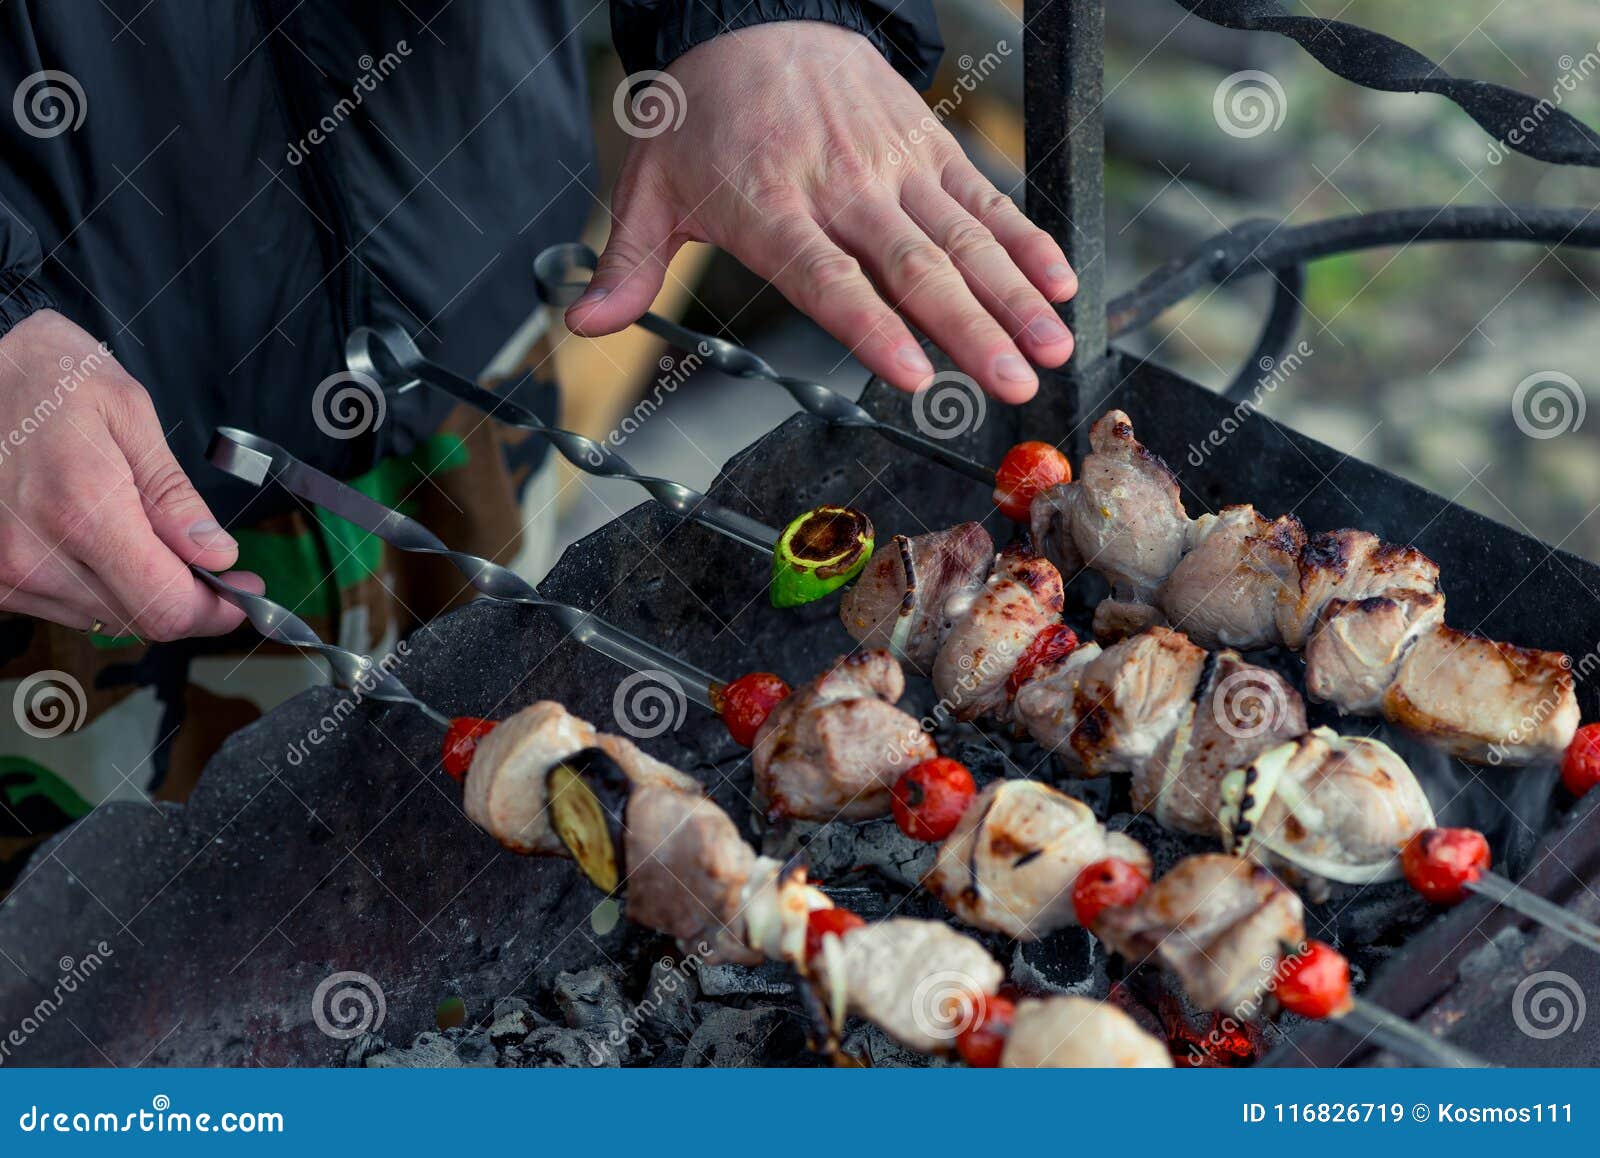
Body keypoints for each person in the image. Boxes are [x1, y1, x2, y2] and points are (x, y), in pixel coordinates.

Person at [0, 2, 1075, 881]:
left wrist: (761, 9)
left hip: (467, 316)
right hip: (67, 477)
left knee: (460, 832)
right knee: (100, 939)